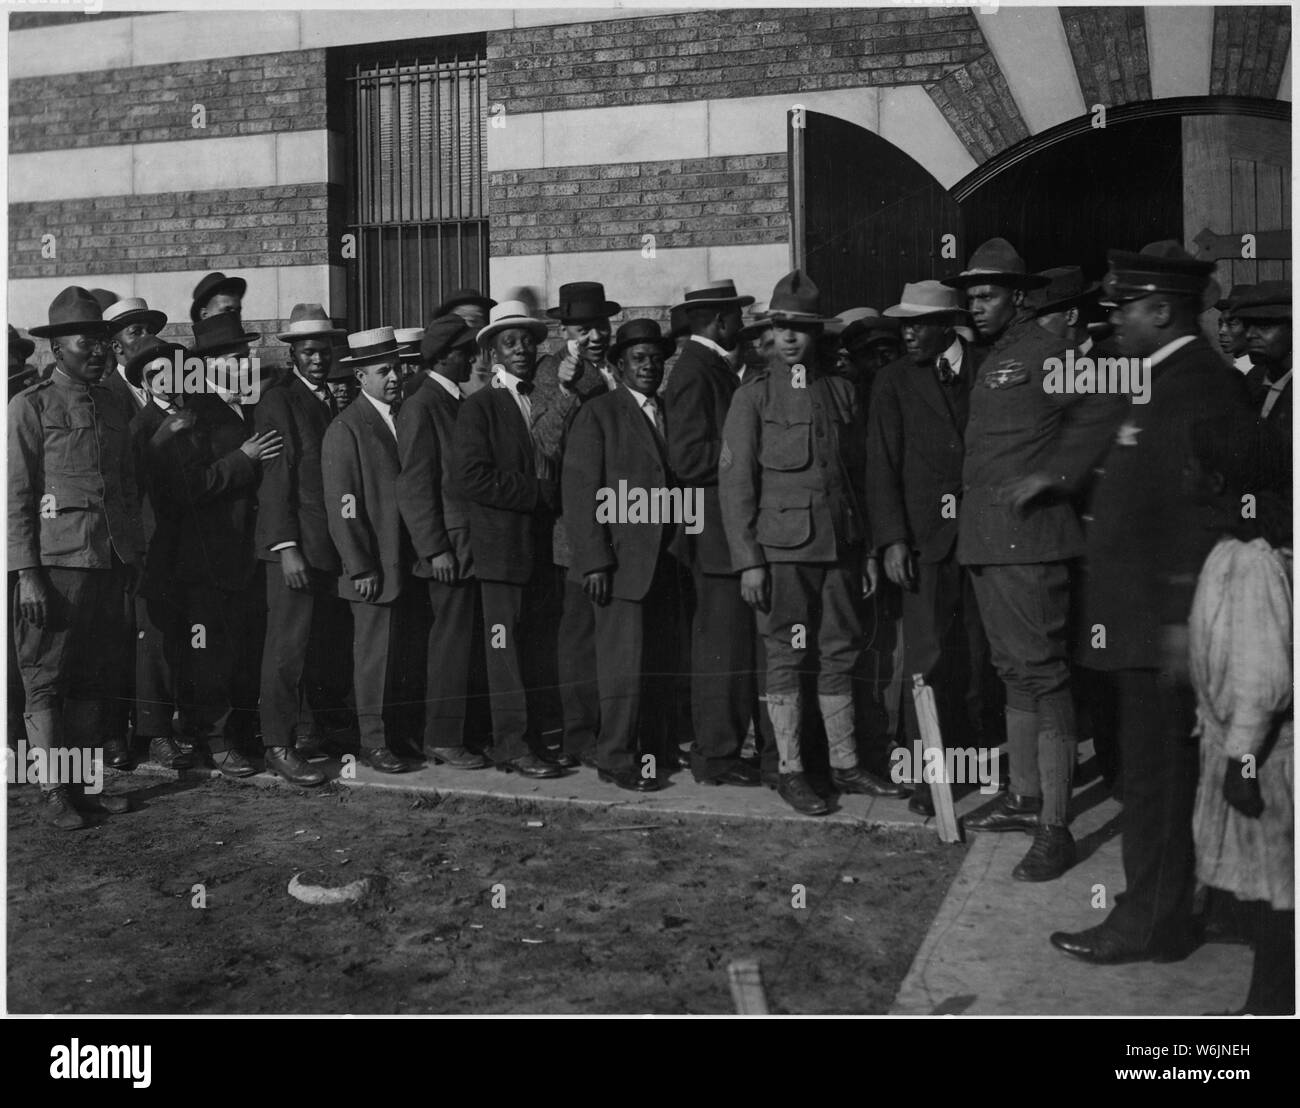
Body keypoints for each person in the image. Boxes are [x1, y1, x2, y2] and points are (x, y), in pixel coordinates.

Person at [1051, 241, 1255, 964]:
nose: (1117, 322)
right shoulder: (1154, 378)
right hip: (1137, 619)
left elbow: (1202, 511)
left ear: (1160, 311)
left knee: (1158, 783)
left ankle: (1151, 923)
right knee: (1158, 776)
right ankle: (1179, 906)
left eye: (1127, 309)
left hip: (1160, 626)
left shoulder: (1196, 384)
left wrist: (1176, 622)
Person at [944, 238, 1124, 882]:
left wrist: (1056, 475)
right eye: (970, 298)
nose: (976, 306)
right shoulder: (1002, 357)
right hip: (990, 542)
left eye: (987, 295)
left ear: (1019, 298)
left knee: (1043, 675)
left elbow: (1106, 405)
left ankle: (1056, 826)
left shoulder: (1050, 352)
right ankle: (1024, 796)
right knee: (1013, 669)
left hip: (1031, 542)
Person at [720, 270, 900, 816]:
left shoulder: (841, 390)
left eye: (801, 327)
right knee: (785, 654)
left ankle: (845, 765)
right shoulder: (752, 396)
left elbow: (858, 477)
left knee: (839, 653)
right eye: (782, 327)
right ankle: (792, 770)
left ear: (817, 332)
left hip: (840, 547)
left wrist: (867, 549)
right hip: (782, 554)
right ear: (770, 333)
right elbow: (735, 483)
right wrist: (749, 562)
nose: (791, 337)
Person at [9, 287, 144, 828]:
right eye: (84, 342)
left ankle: (84, 787)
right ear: (56, 349)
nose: (98, 352)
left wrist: (133, 554)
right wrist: (26, 575)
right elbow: (15, 498)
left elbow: (126, 488)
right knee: (46, 679)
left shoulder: (113, 404)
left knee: (92, 678)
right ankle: (54, 791)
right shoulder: (30, 406)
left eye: (103, 342)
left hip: (107, 563)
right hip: (56, 566)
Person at [868, 281, 992, 816]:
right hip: (923, 544)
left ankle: (982, 759)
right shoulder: (893, 381)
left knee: (983, 656)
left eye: (918, 324)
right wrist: (892, 539)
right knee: (928, 659)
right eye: (904, 325)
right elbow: (881, 466)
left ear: (949, 325)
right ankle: (930, 776)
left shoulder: (988, 368)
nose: (909, 333)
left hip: (987, 538)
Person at [1184, 410, 1293, 1015]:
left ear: (1220, 481)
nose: (1185, 474)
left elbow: (1262, 677)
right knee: (1270, 883)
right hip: (1254, 749)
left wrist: (1242, 762)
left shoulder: (1253, 562)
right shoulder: (1237, 547)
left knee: (1282, 889)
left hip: (1270, 760)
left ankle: (1269, 1008)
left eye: (1191, 466)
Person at [563, 319, 690, 792]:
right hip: (620, 566)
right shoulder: (600, 413)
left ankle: (655, 750)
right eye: (638, 358)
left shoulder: (667, 411)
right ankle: (616, 756)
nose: (649, 366)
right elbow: (580, 493)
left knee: (659, 659)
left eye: (656, 358)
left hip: (666, 561)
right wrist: (594, 560)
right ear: (619, 364)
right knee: (622, 664)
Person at [156, 313, 281, 777]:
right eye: (232, 354)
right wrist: (242, 460)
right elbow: (186, 488)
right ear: (207, 363)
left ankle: (242, 735)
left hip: (247, 553)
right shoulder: (193, 414)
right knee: (211, 655)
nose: (243, 359)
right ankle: (214, 740)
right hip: (207, 555)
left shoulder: (250, 406)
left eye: (244, 351)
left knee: (245, 650)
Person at [453, 300, 566, 779]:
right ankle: (512, 746)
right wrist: (534, 493)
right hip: (502, 550)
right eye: (510, 342)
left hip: (541, 546)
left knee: (536, 647)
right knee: (505, 651)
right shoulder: (480, 408)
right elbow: (471, 478)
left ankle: (534, 740)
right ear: (493, 353)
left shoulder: (540, 399)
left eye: (527, 341)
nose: (521, 349)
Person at [664, 280, 764, 788]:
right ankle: (715, 756)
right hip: (716, 536)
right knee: (719, 650)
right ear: (719, 321)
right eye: (737, 317)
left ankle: (723, 748)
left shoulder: (709, 368)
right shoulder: (694, 371)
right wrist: (747, 461)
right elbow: (686, 457)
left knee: (731, 649)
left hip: (726, 534)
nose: (742, 327)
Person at [254, 304, 355, 786]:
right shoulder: (280, 400)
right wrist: (286, 546)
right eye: (309, 352)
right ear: (293, 352)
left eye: (324, 351)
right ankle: (277, 743)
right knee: (286, 648)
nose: (318, 360)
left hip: (326, 546)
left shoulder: (330, 399)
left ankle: (310, 732)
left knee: (319, 646)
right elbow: (277, 479)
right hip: (294, 548)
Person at [531, 281, 623, 767]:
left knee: (616, 634)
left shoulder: (616, 369)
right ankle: (580, 735)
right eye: (584, 328)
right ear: (565, 330)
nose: (595, 336)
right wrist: (567, 390)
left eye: (600, 326)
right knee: (580, 636)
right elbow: (546, 445)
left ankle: (616, 731)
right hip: (578, 524)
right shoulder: (553, 372)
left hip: (626, 517)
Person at [395, 315, 489, 769]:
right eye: (466, 350)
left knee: (465, 643)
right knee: (450, 646)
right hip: (449, 552)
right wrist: (435, 549)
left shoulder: (452, 400)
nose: (473, 357)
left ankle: (460, 733)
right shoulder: (422, 404)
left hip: (467, 546)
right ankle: (443, 738)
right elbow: (414, 484)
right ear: (445, 356)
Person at [322, 327, 417, 775]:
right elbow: (344, 506)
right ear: (360, 377)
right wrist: (360, 565)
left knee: (399, 657)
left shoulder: (401, 417)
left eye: (397, 367)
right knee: (373, 659)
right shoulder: (347, 428)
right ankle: (372, 743)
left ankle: (396, 735)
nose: (395, 377)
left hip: (405, 563)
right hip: (373, 568)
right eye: (384, 371)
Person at [124, 335, 191, 771]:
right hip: (154, 547)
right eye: (155, 374)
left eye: (172, 369)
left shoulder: (194, 417)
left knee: (189, 638)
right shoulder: (141, 427)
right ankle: (155, 733)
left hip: (193, 545)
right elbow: (132, 488)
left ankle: (188, 725)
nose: (166, 380)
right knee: (155, 643)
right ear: (146, 383)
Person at [434, 288, 496, 395]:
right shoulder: (445, 359)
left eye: (478, 317)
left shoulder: (492, 354)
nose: (471, 323)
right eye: (464, 317)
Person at [1215, 284, 1255, 374]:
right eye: (1220, 324)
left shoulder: (1256, 374)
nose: (1221, 331)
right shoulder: (1229, 370)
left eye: (1232, 324)